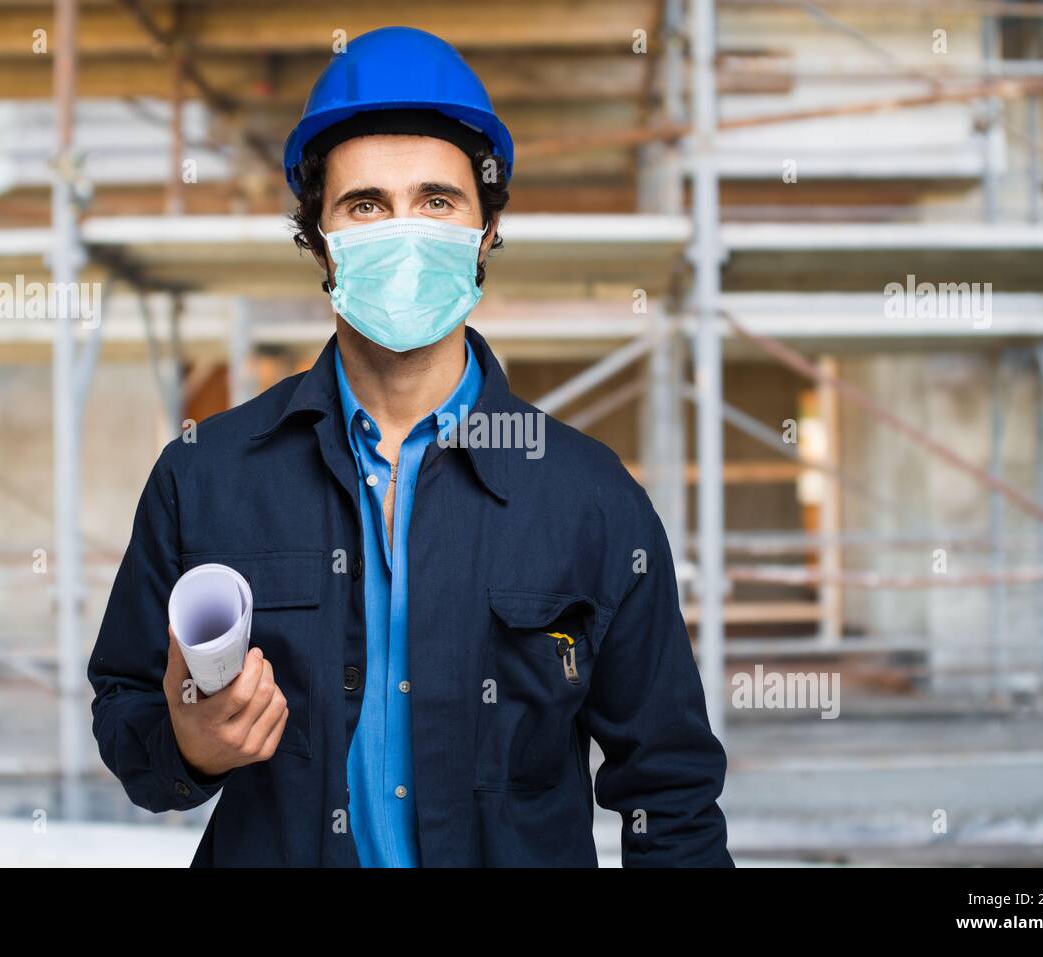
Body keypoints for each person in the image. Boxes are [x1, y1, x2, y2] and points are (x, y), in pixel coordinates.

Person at [88, 25, 732, 867]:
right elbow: (127, 710)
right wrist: (192, 744)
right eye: (365, 205)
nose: (404, 230)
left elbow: (672, 792)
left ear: (486, 228)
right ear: (318, 239)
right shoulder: (204, 477)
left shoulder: (589, 498)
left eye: (437, 200)